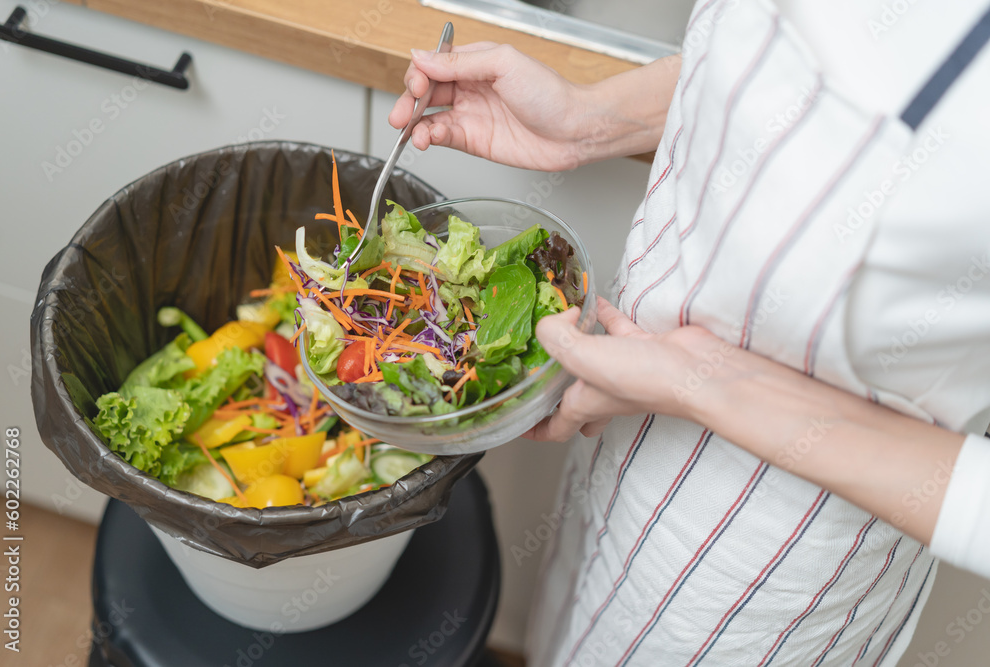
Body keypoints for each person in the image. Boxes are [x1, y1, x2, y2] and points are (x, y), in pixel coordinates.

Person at [390, 1, 990, 664]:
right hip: (625, 405)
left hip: (767, 564)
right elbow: (784, 65)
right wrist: (589, 122)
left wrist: (704, 382)